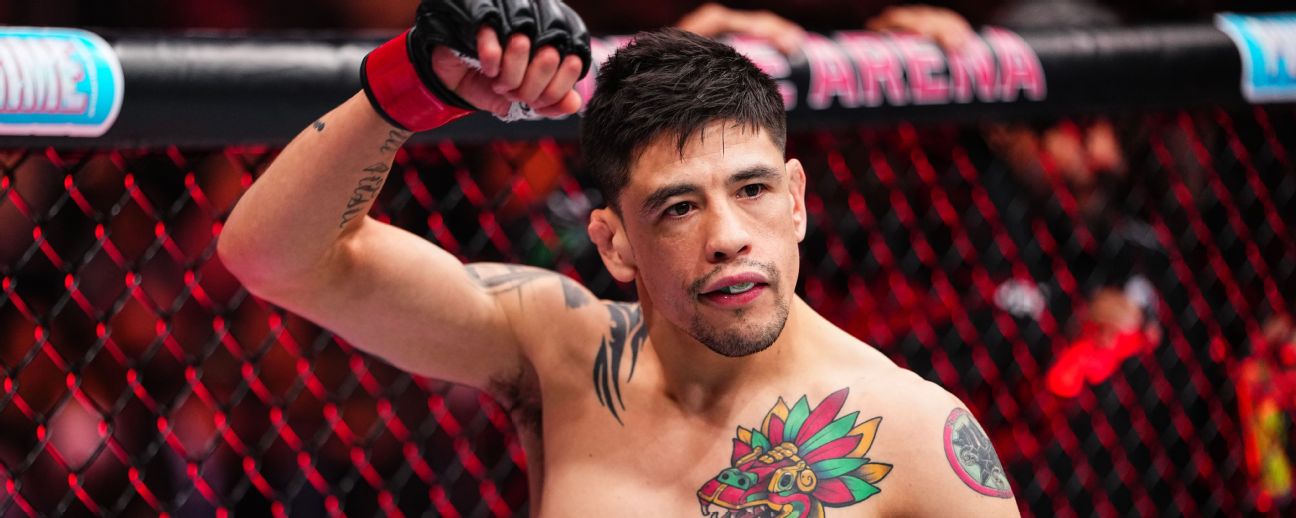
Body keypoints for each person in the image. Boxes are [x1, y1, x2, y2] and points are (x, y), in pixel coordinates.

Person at [217, 0, 1020, 515]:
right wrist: (408, 89)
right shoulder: (560, 350)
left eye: (752, 190)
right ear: (614, 243)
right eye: (679, 207)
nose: (728, 236)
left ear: (798, 200)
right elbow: (273, 258)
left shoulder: (918, 434)